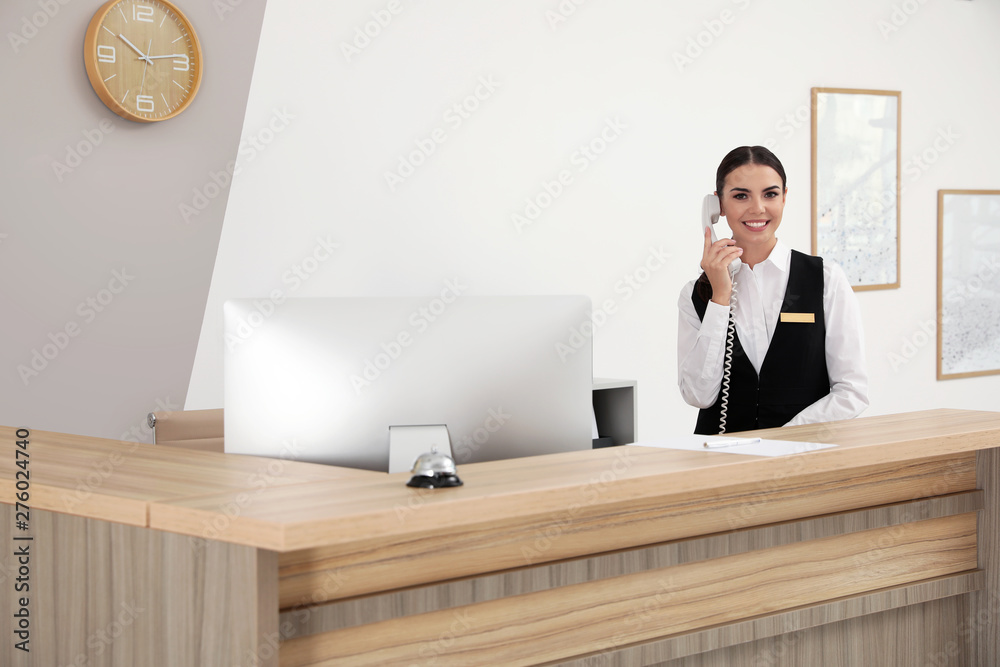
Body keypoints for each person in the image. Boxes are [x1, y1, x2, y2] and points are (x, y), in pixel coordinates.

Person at [677, 145, 868, 435]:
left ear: (784, 197)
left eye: (770, 194)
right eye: (741, 195)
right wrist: (720, 298)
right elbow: (698, 395)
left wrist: (783, 437)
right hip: (717, 462)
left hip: (801, 460)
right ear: (718, 207)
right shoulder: (695, 294)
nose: (757, 208)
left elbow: (852, 392)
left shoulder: (825, 280)